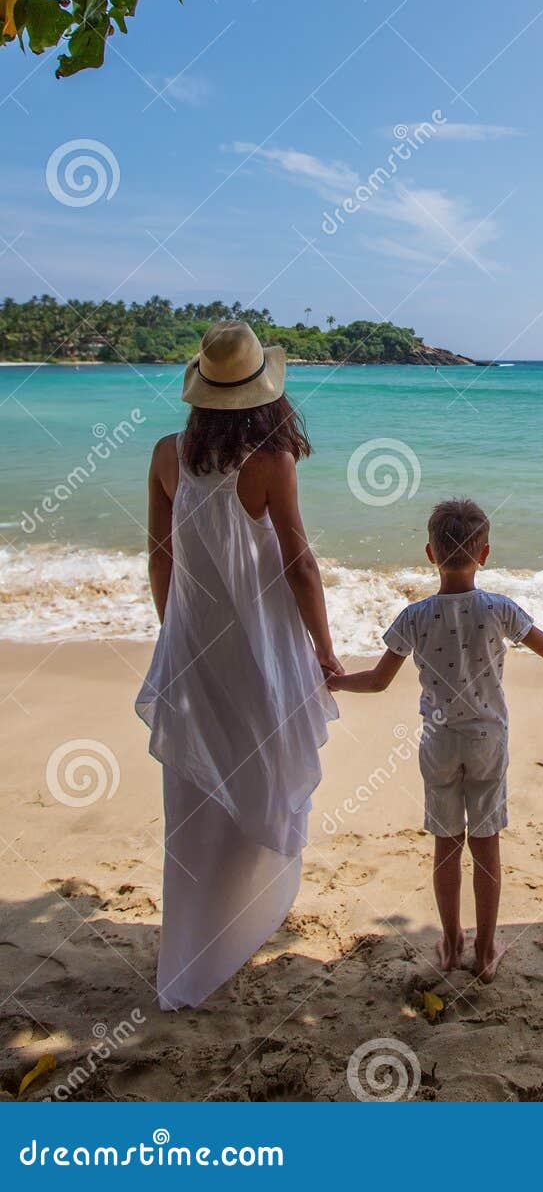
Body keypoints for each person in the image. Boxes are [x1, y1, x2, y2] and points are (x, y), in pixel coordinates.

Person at [329, 498, 543, 982]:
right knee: (486, 845)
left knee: (446, 845)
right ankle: (486, 949)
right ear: (484, 553)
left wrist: (337, 682)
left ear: (430, 553)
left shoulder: (414, 617)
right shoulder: (498, 609)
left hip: (439, 744)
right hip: (488, 741)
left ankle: (451, 944)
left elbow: (379, 681)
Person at [137, 320, 340, 1009]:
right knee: (261, 777)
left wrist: (175, 633)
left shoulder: (166, 454)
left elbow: (159, 558)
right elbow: (300, 563)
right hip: (259, 648)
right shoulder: (271, 461)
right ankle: (240, 923)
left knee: (198, 794)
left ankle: (196, 940)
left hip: (193, 646)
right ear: (265, 393)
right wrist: (325, 649)